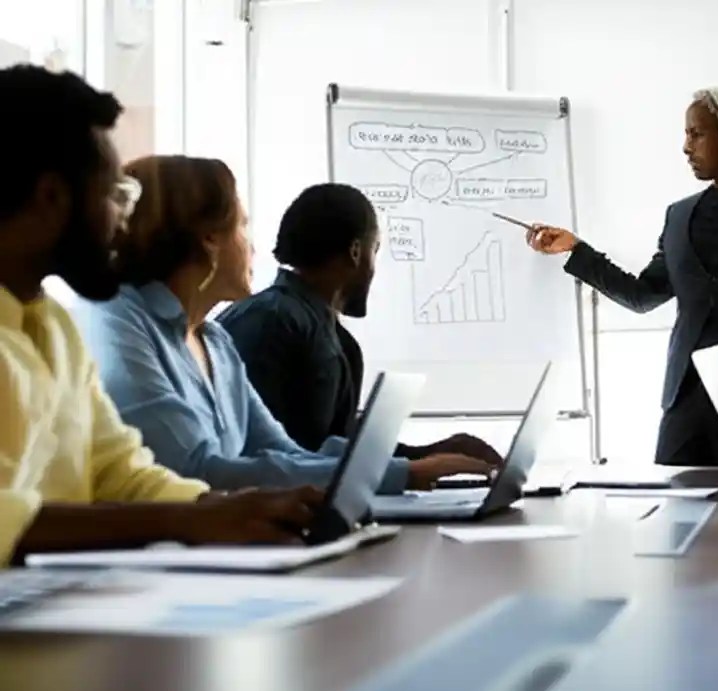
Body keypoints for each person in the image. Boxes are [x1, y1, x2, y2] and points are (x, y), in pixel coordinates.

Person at [0, 65, 321, 564]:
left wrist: (221, 509)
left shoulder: (54, 327)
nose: (125, 221)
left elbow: (119, 471)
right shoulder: (99, 322)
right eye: (116, 195)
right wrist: (191, 518)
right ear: (50, 198)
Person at [73, 156, 492, 494]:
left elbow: (282, 452)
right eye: (242, 224)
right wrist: (404, 473)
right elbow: (195, 471)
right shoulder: (115, 320)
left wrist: (406, 468)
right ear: (208, 238)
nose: (253, 245)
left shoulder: (214, 341)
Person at [526, 83, 718, 466]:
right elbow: (643, 295)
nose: (686, 146)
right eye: (686, 134)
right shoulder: (678, 216)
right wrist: (576, 250)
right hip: (685, 399)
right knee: (674, 515)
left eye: (696, 134)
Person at [217, 183, 501, 468]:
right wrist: (412, 468)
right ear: (355, 252)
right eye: (374, 250)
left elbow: (335, 450)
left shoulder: (332, 337)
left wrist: (426, 456)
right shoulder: (271, 321)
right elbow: (265, 456)